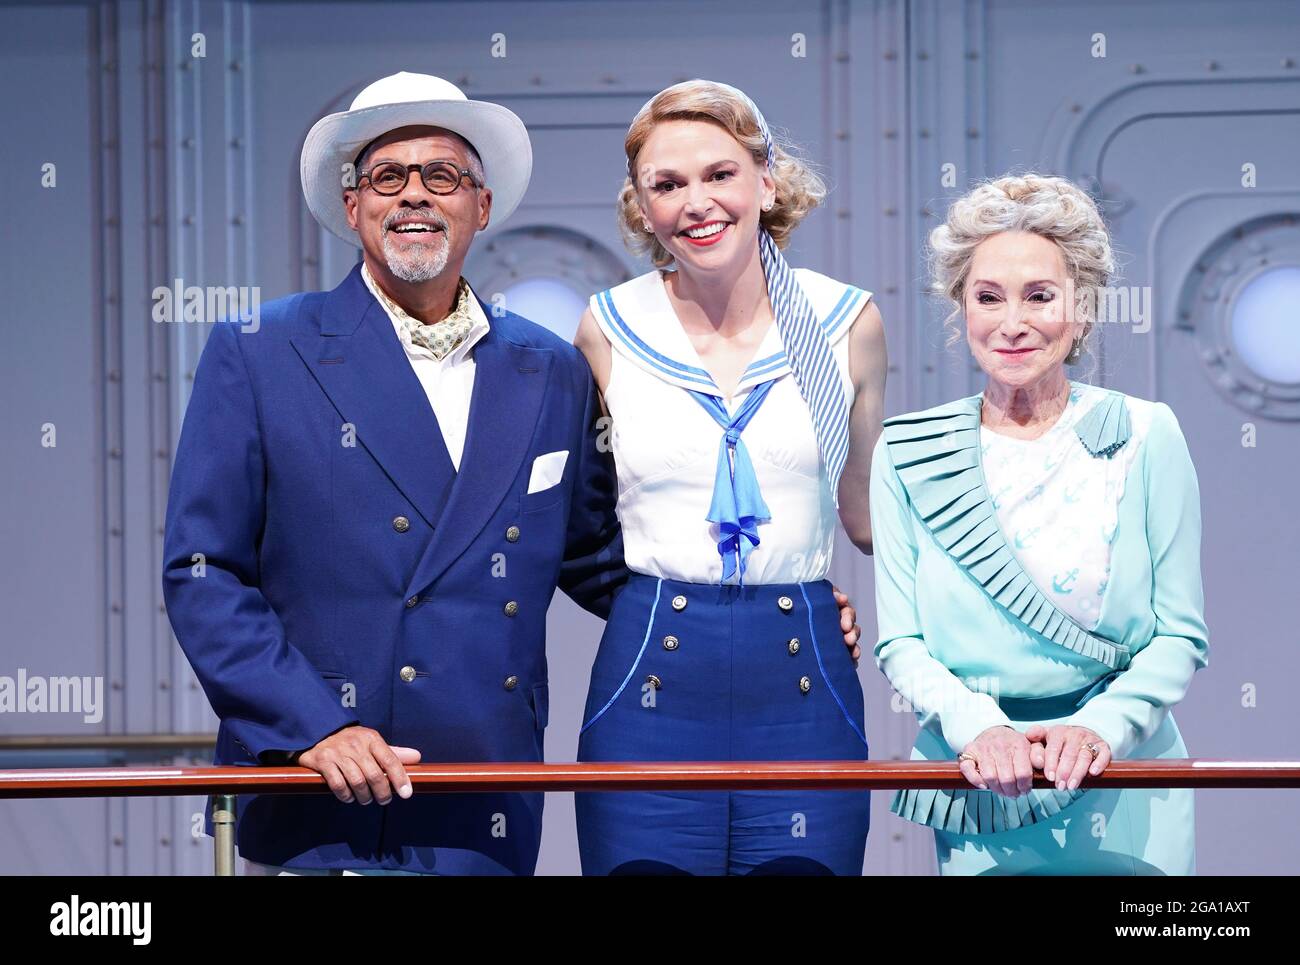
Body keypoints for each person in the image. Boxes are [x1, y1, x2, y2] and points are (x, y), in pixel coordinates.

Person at [162, 72, 627, 875]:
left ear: (480, 205)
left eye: (441, 176)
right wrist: (313, 725)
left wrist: (760, 604)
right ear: (353, 208)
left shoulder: (549, 369)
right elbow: (204, 573)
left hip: (486, 789)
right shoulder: (261, 348)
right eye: (387, 177)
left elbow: (598, 560)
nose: (414, 195)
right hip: (327, 787)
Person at [572, 80, 888, 875]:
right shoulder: (606, 327)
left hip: (803, 668)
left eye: (719, 174)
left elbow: (868, 517)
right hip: (652, 671)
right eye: (666, 185)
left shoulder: (846, 320)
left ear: (767, 183)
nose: (696, 202)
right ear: (642, 208)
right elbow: (577, 523)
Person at [870, 173, 1210, 875]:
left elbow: (1180, 634)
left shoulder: (1147, 433)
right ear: (960, 310)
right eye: (987, 297)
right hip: (983, 773)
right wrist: (979, 728)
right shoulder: (906, 449)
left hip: (1123, 770)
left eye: (1039, 296)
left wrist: (1099, 728)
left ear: (1081, 311)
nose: (1011, 321)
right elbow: (901, 642)